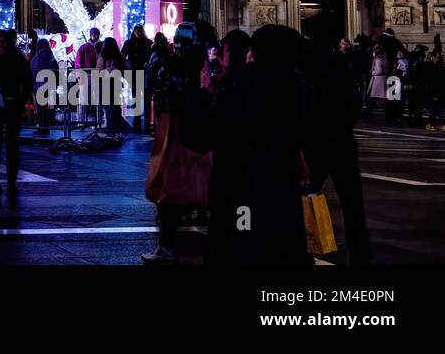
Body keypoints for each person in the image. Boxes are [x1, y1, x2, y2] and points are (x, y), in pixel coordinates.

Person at [208, 25, 310, 266]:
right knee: (279, 241)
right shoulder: (294, 84)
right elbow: (298, 131)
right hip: (279, 180)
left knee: (240, 234)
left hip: (239, 179)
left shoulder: (240, 82)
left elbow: (211, 130)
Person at [299, 26, 371, 265]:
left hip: (314, 143)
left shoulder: (306, 66)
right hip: (342, 140)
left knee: (307, 195)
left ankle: (310, 247)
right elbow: (355, 107)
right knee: (352, 203)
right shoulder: (342, 65)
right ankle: (359, 255)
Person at [142, 30, 213, 264]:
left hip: (176, 130)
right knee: (200, 182)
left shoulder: (171, 67)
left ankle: (167, 244)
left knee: (169, 188)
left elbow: (162, 97)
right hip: (201, 133)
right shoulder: (206, 68)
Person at [0, 30, 32, 193]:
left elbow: (27, 81)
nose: (0, 45)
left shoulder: (17, 59)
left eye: (3, 42)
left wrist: (21, 100)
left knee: (11, 144)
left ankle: (11, 181)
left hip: (12, 104)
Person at [97, 37, 129, 135]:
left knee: (109, 108)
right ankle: (118, 128)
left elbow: (99, 71)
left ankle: (112, 130)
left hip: (105, 83)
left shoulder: (103, 57)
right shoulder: (119, 57)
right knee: (115, 107)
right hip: (116, 83)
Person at [29, 37, 57, 133]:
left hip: (39, 84)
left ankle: (42, 127)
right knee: (46, 107)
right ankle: (46, 125)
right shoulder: (50, 55)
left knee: (41, 108)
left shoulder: (38, 56)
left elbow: (34, 68)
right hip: (49, 83)